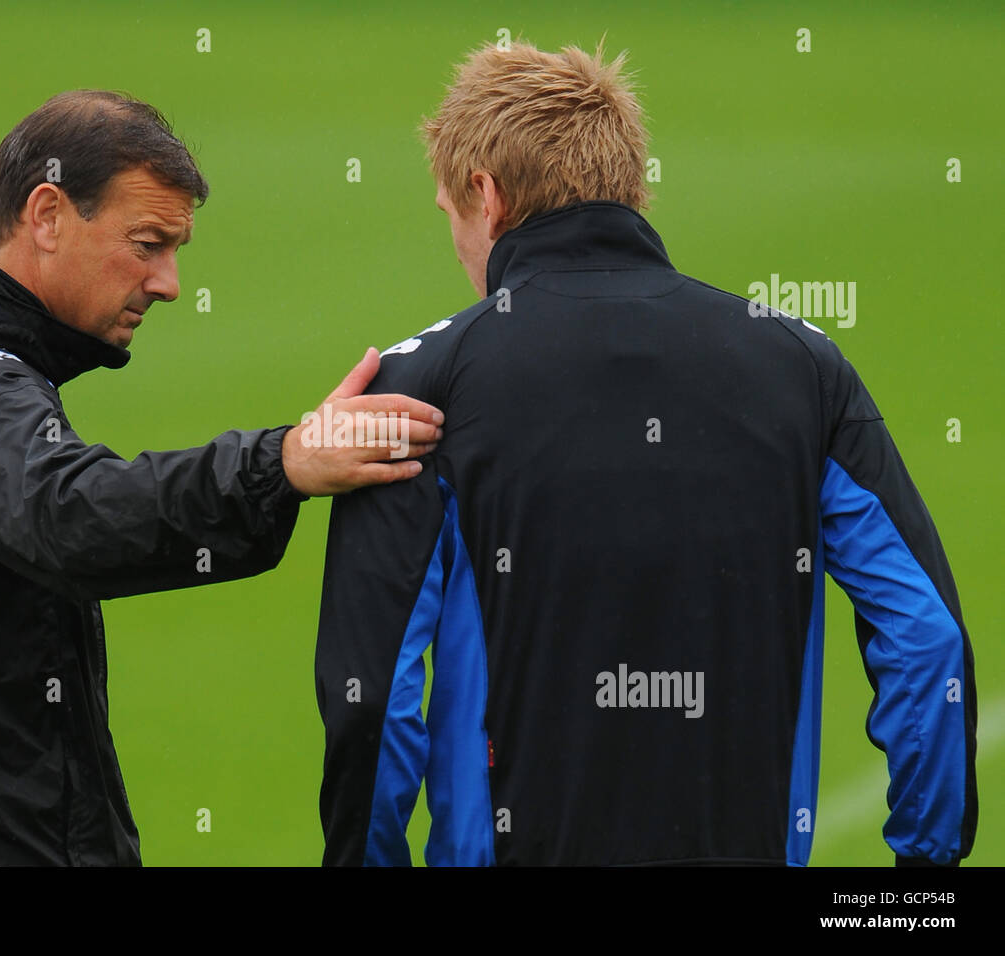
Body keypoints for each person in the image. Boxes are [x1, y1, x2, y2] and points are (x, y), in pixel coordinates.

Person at [314, 43, 977, 866]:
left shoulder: (416, 390)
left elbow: (369, 699)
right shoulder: (802, 366)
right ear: (631, 184)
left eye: (450, 213)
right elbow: (926, 638)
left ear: (485, 194)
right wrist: (925, 871)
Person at [0, 90, 443, 866]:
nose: (168, 282)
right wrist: (280, 465)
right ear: (47, 216)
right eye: (147, 243)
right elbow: (70, 516)